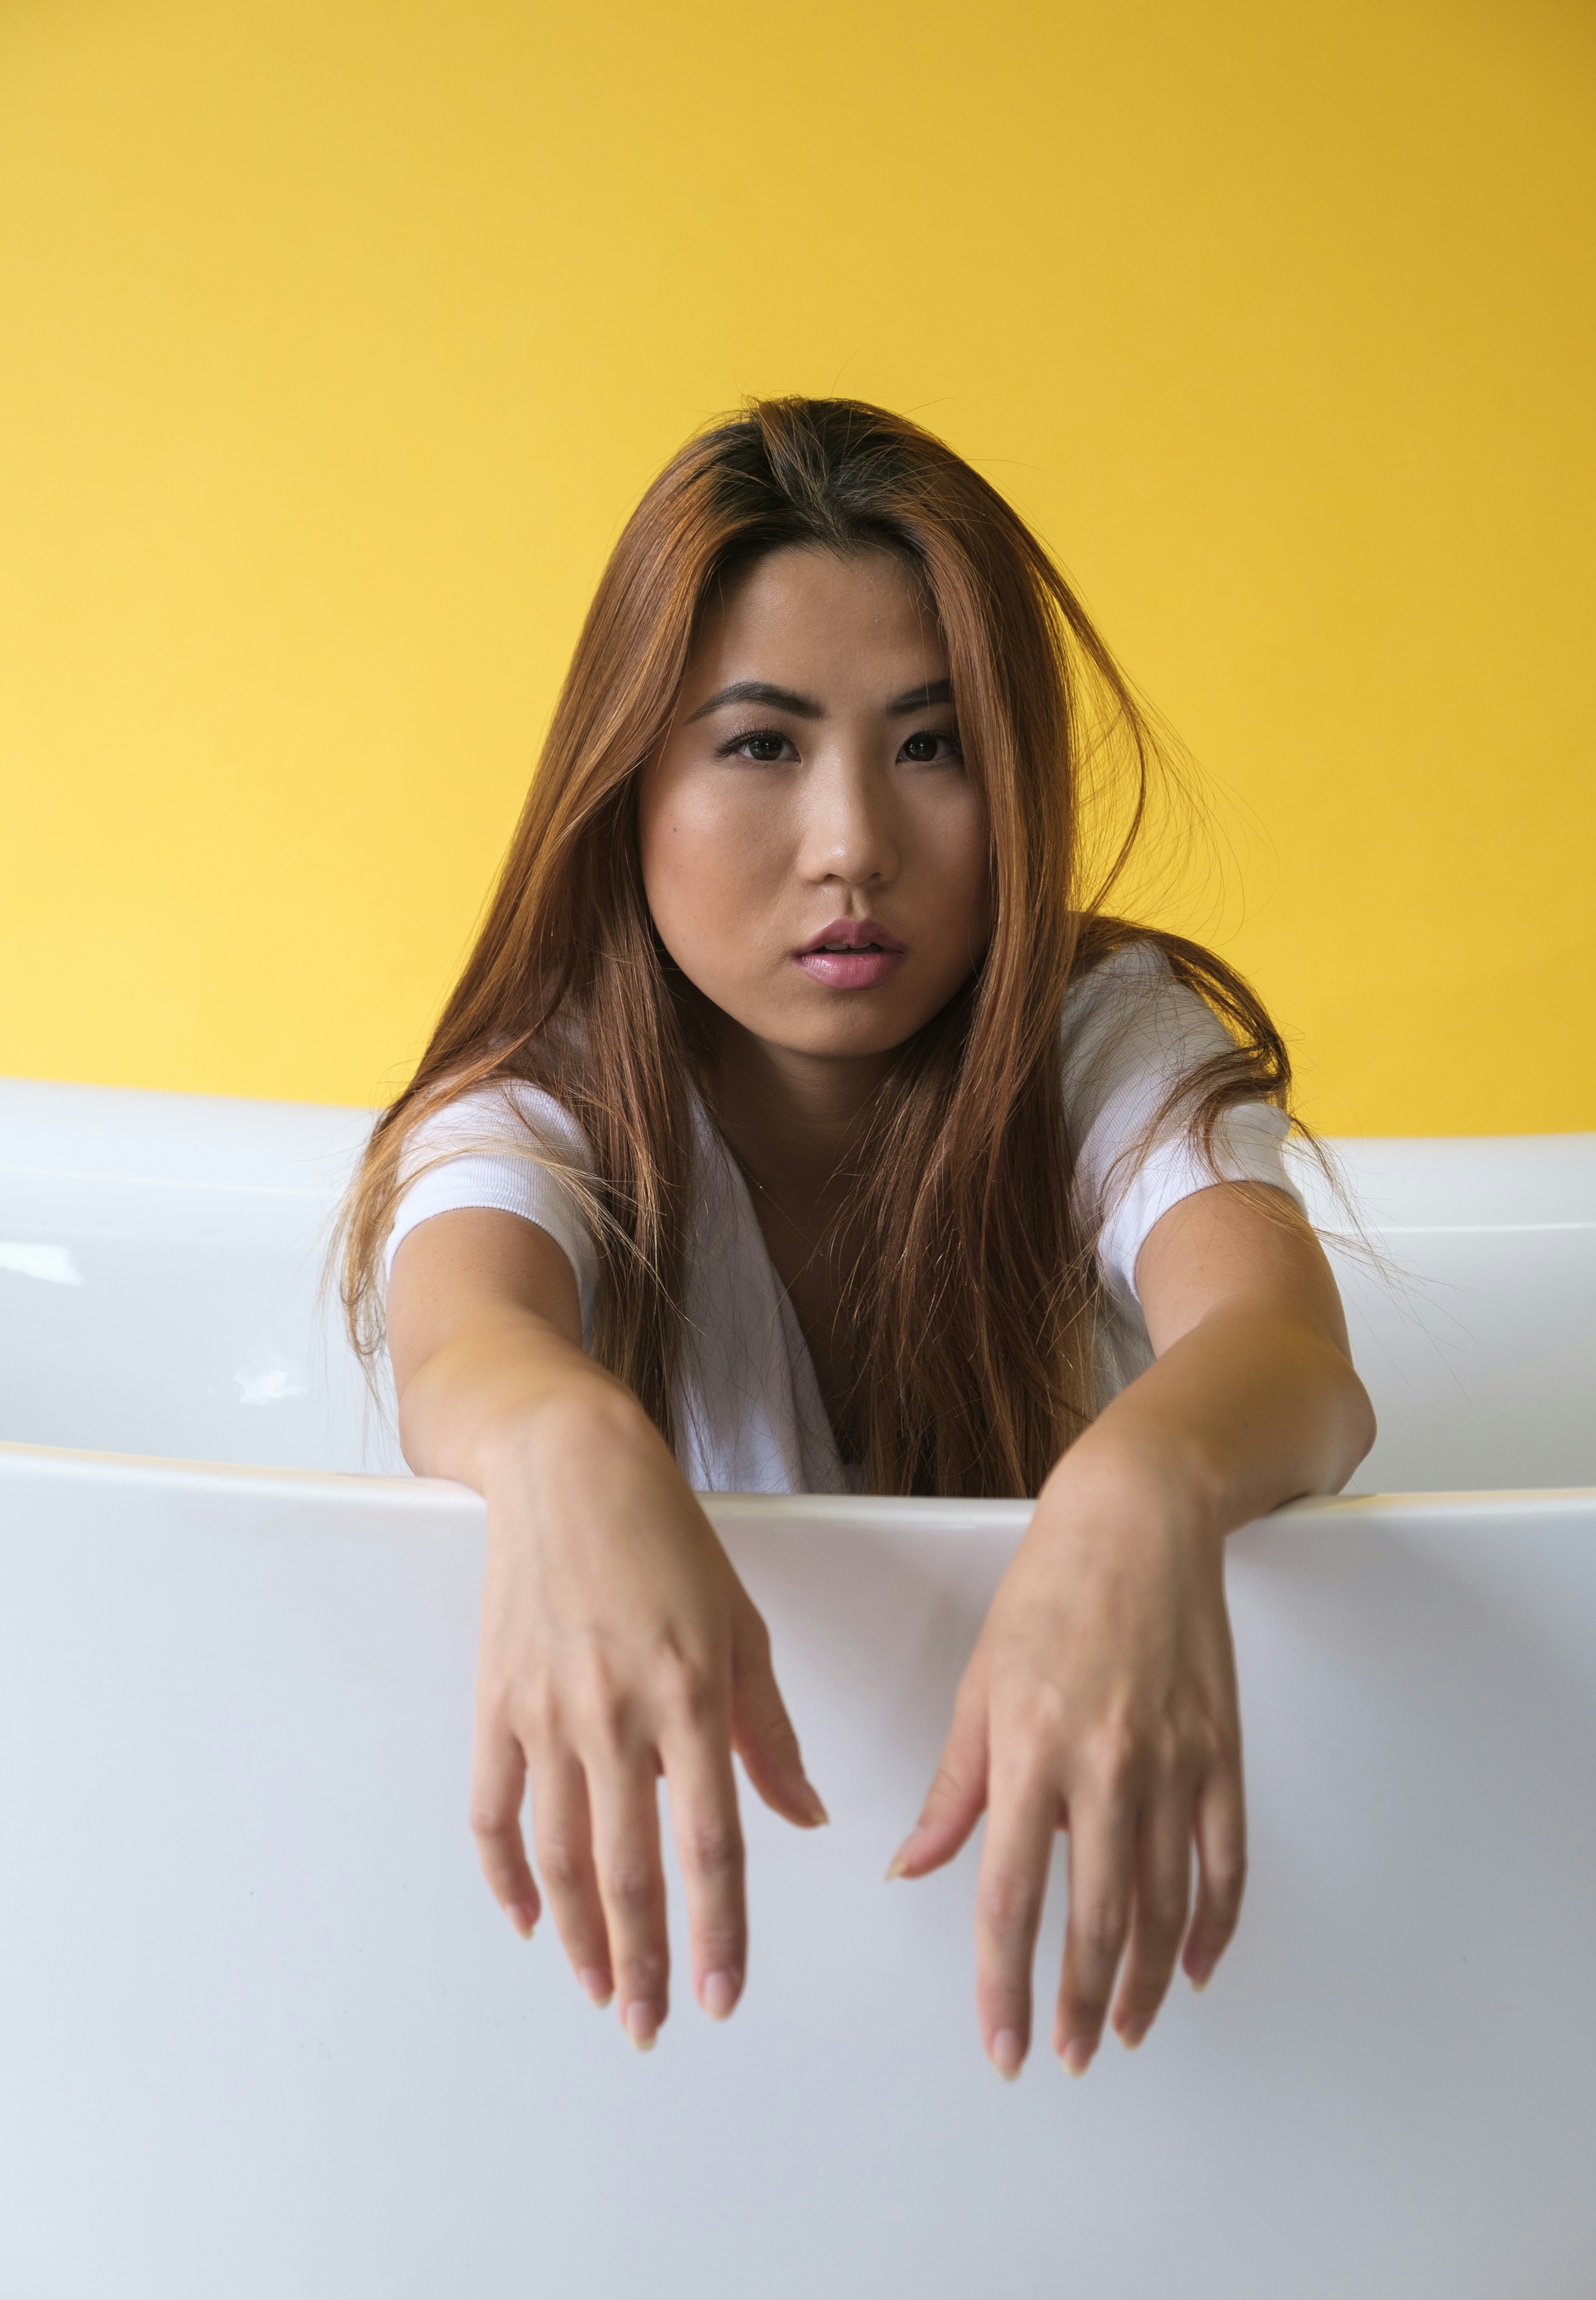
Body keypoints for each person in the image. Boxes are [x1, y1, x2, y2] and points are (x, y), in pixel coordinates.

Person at [340, 398, 1374, 2082]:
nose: (853, 849)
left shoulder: (1092, 1037)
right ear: (628, 784)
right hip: (647, 2049)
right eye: (759, 746)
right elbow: (466, 1343)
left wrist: (1142, 1488)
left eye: (931, 744)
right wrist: (563, 1446)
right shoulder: (541, 1094)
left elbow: (1283, 1352)